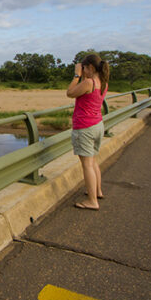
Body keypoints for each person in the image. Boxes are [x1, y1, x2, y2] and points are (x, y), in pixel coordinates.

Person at [67, 53, 110, 210]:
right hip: (97, 125)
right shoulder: (103, 82)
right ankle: (97, 191)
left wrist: (76, 75)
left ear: (90, 67)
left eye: (84, 67)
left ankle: (92, 201)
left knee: (87, 165)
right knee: (92, 162)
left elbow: (70, 92)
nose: (82, 70)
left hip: (85, 127)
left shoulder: (89, 83)